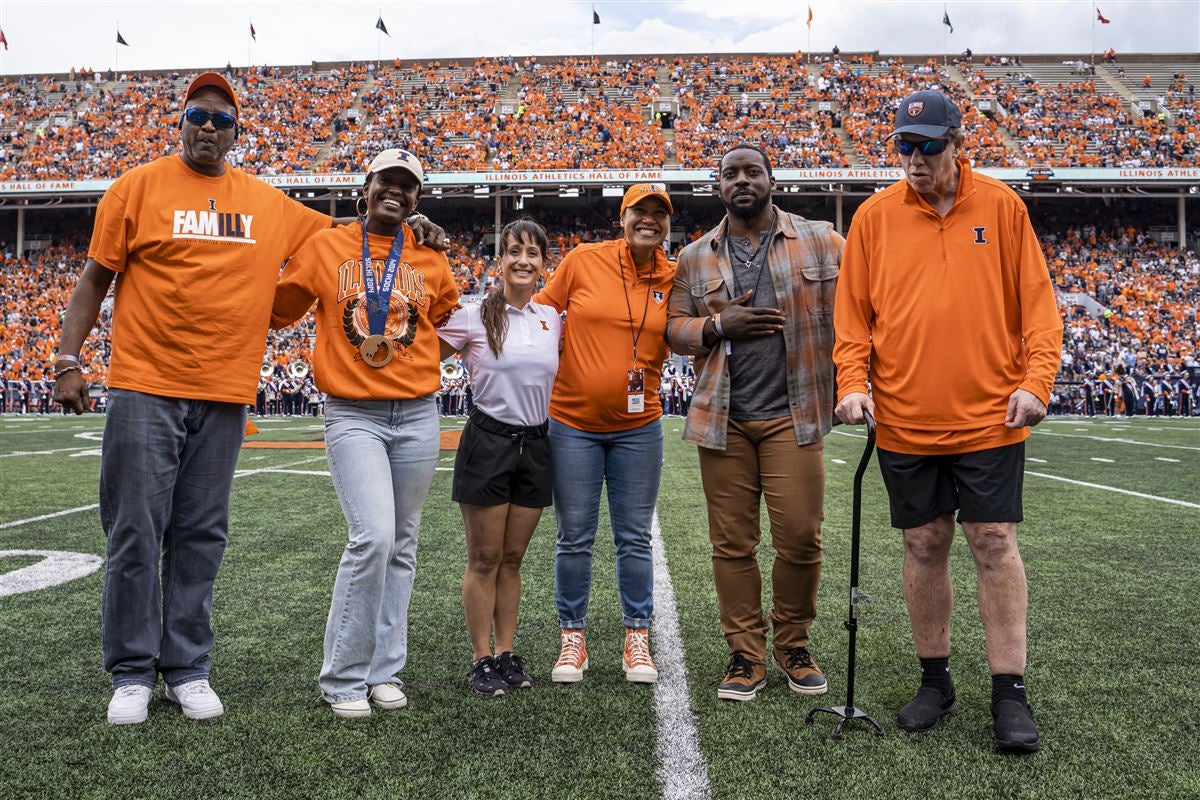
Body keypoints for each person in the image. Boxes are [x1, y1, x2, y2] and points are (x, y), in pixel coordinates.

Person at [52, 73, 444, 727]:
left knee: (201, 535)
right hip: (144, 383)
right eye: (198, 115)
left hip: (225, 390)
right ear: (181, 121)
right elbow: (95, 279)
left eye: (222, 120)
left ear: (237, 133)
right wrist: (68, 359)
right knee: (135, 532)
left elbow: (354, 230)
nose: (208, 127)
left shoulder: (268, 202)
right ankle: (131, 672)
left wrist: (413, 222)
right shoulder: (135, 187)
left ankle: (187, 668)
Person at [833, 89, 1062, 754]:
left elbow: (1039, 308)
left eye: (929, 145)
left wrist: (1037, 383)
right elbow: (853, 320)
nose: (915, 159)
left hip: (991, 417)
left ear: (959, 144)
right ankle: (935, 680)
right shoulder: (874, 218)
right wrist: (852, 385)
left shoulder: (1002, 207)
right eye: (905, 146)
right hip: (905, 420)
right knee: (924, 544)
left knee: (993, 541)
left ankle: (1009, 692)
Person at [270, 148, 459, 718]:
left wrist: (417, 364)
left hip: (418, 412)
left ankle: (385, 670)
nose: (395, 191)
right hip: (354, 413)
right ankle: (344, 678)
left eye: (407, 185)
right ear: (366, 186)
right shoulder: (326, 247)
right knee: (373, 537)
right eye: (386, 181)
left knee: (402, 545)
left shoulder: (429, 254)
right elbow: (278, 309)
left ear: (418, 198)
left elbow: (449, 324)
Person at [666, 144, 842, 702]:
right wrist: (719, 325)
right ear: (718, 186)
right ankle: (745, 653)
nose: (741, 180)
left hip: (795, 412)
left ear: (772, 179)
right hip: (726, 418)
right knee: (732, 544)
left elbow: (863, 304)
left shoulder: (822, 239)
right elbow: (673, 328)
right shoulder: (695, 255)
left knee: (801, 539)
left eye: (752, 171)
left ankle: (792, 642)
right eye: (730, 174)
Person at [534, 184, 676, 685]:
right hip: (572, 424)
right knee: (574, 537)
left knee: (634, 537)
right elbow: (538, 314)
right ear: (623, 216)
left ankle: (636, 634)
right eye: (641, 211)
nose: (649, 220)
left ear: (667, 225)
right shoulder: (583, 259)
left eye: (659, 214)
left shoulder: (674, 276)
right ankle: (572, 635)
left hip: (640, 426)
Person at [438, 218, 562, 697]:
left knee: (513, 559)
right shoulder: (472, 316)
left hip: (536, 444)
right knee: (484, 558)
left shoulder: (552, 318)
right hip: (488, 443)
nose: (523, 261)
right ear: (500, 260)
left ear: (544, 264)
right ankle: (480, 658)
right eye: (514, 252)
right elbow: (420, 355)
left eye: (532, 253)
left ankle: (507, 653)